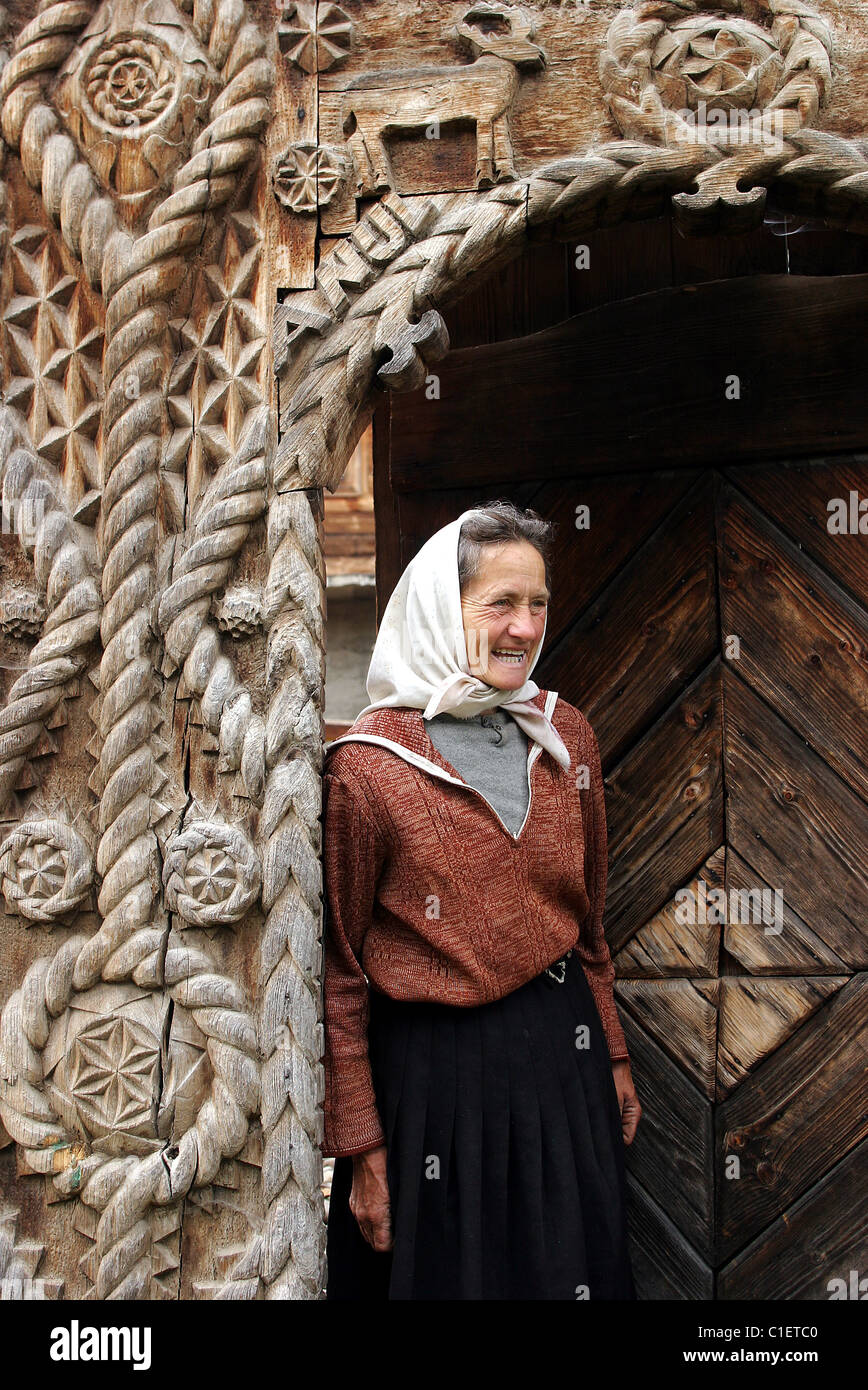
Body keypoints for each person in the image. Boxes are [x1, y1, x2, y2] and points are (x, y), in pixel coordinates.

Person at [321, 500, 641, 1300]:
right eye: (499, 603)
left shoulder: (566, 735)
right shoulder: (370, 769)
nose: (524, 627)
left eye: (536, 604)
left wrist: (614, 1053)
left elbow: (589, 926)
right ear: (441, 606)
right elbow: (340, 972)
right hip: (432, 1083)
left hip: (561, 1061)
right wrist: (362, 1147)